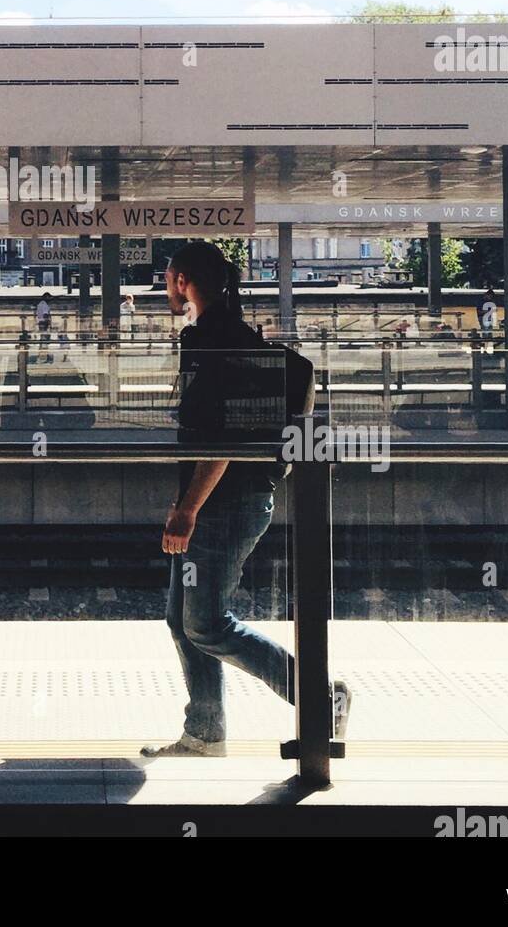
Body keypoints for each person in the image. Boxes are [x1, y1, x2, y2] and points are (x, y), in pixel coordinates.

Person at [142, 240, 350, 759]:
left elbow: (221, 436)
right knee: (181, 619)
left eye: (167, 277)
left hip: (223, 503)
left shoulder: (213, 342)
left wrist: (187, 510)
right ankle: (205, 732)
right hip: (223, 497)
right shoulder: (229, 334)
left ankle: (320, 699)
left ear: (183, 280)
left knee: (206, 624)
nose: (164, 286)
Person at [34, 292, 53, 360]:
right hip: (44, 323)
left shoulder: (39, 304)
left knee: (42, 338)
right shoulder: (45, 305)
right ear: (46, 297)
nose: (50, 299)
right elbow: (45, 315)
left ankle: (41, 353)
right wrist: (49, 324)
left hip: (40, 322)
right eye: (49, 297)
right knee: (45, 338)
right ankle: (44, 355)